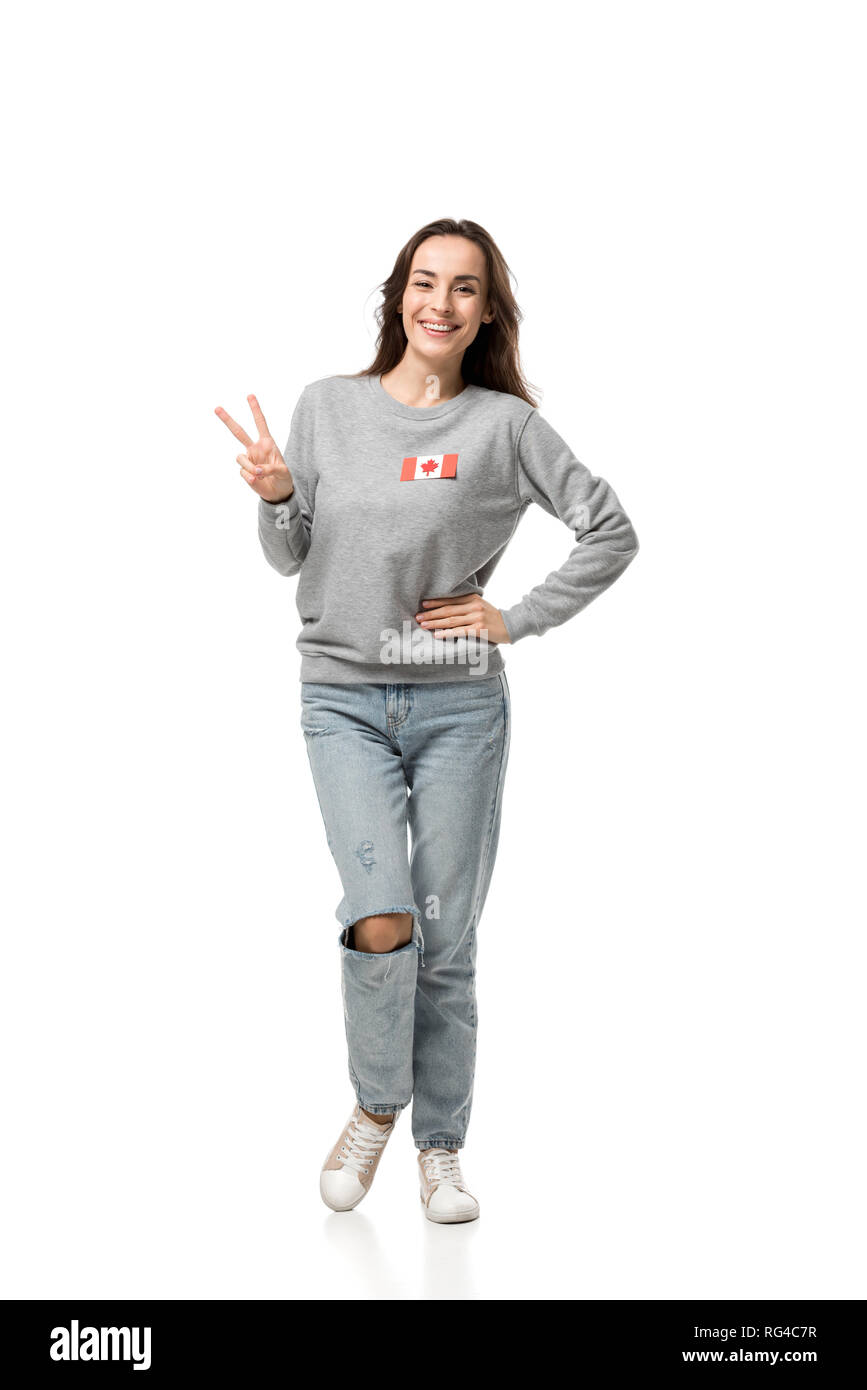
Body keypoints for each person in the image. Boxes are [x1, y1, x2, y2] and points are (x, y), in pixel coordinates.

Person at [215, 217, 640, 1224]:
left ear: (487, 310)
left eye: (462, 288)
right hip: (343, 699)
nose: (439, 303)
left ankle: (440, 1146)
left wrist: (516, 617)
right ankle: (375, 1105)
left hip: (458, 706)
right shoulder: (328, 407)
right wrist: (278, 495)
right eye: (423, 282)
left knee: (446, 937)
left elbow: (612, 530)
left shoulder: (506, 427)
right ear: (397, 296)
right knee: (381, 914)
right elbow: (291, 556)